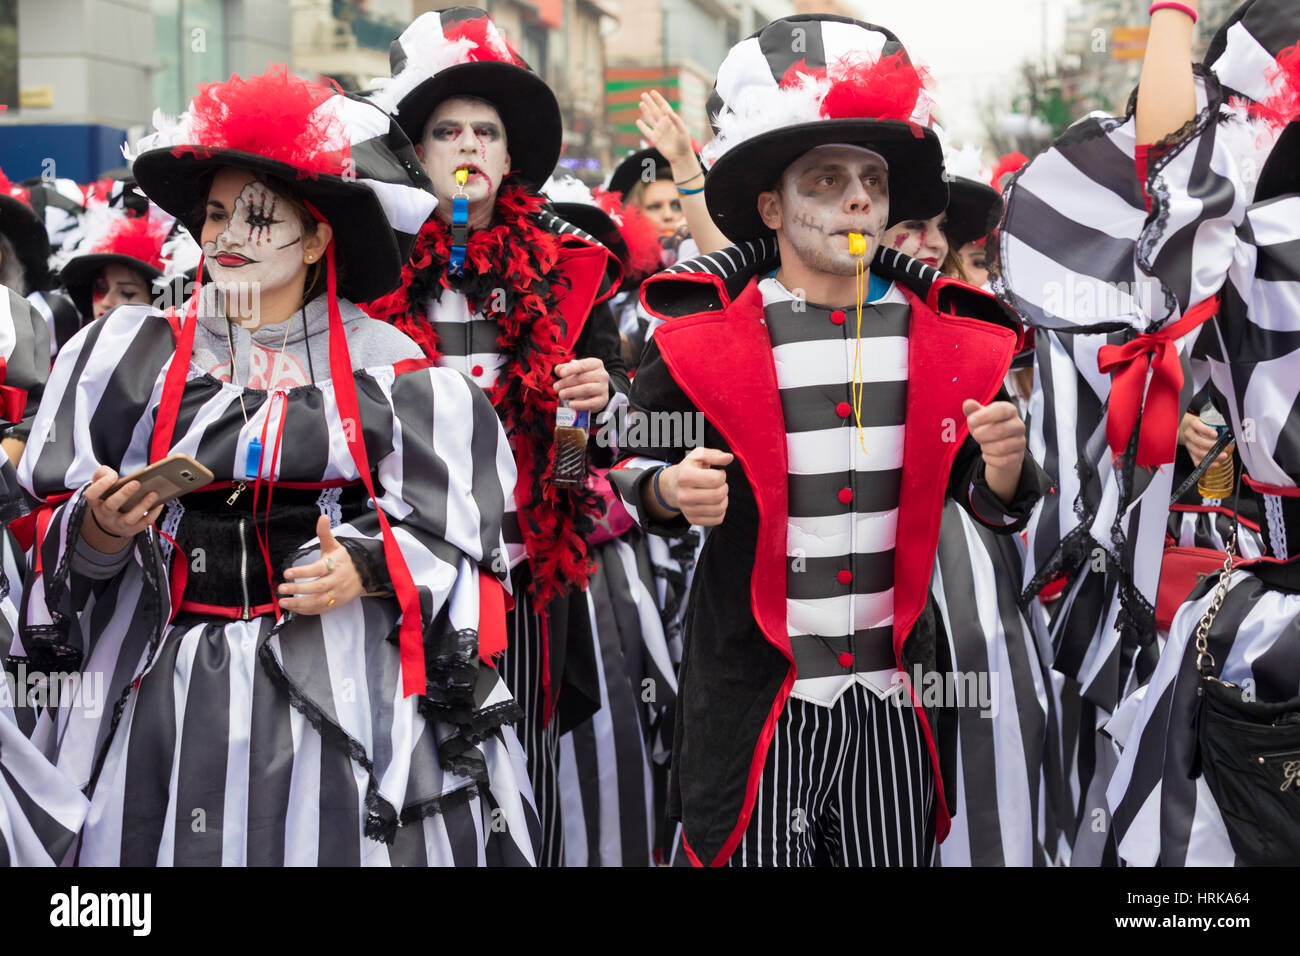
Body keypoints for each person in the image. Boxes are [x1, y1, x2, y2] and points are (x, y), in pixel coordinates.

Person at [12, 66, 539, 866]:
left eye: (257, 220)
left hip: (344, 690)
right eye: (216, 215)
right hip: (163, 689)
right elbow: (47, 537)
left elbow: (461, 535)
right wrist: (100, 529)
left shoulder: (392, 368)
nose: (225, 238)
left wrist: (363, 566)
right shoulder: (126, 355)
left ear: (319, 236)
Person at [610, 13, 1050, 867]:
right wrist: (663, 491)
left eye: (872, 181)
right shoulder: (702, 336)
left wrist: (1003, 470)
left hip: (896, 707)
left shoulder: (949, 339)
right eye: (827, 179)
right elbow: (607, 458)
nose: (858, 200)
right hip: (755, 712)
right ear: (771, 207)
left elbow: (989, 501)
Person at [364, 7, 628, 866]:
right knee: (412, 800)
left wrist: (584, 418)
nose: (469, 144)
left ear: (511, 158)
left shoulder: (562, 273)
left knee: (526, 800)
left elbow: (574, 469)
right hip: (401, 586)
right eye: (447, 130)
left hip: (524, 585)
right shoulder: (366, 277)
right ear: (415, 151)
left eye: (487, 130)